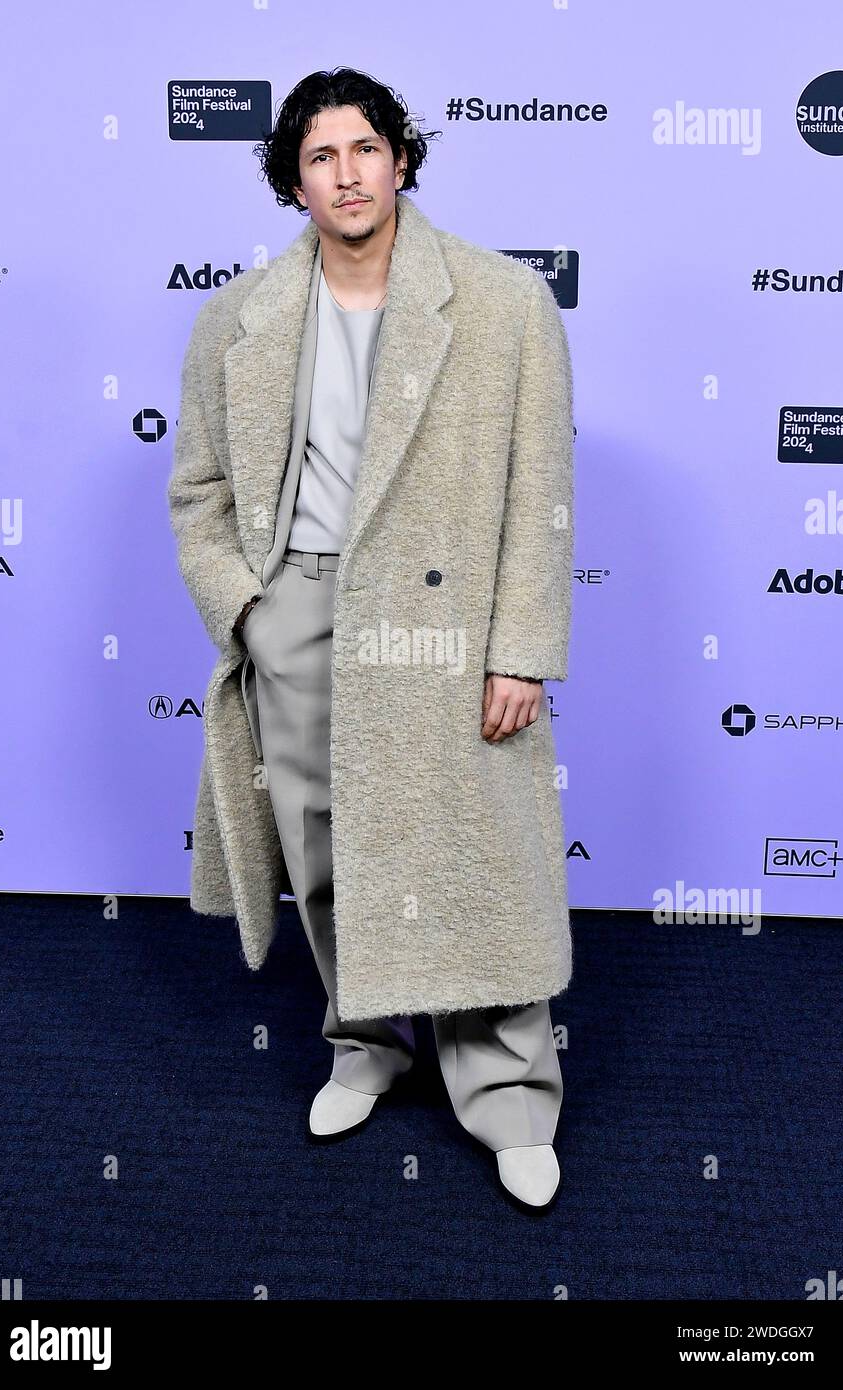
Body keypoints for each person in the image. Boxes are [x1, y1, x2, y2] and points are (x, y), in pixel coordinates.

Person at [168, 67, 575, 1211]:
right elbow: (196, 489)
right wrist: (247, 609)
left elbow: (540, 487)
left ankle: (507, 1092)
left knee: (472, 852)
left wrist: (520, 649)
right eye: (319, 157)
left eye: (364, 149)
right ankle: (367, 1043)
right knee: (326, 850)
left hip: (444, 623)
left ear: (400, 158)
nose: (346, 174)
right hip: (295, 606)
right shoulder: (236, 318)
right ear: (291, 182)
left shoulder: (500, 304)